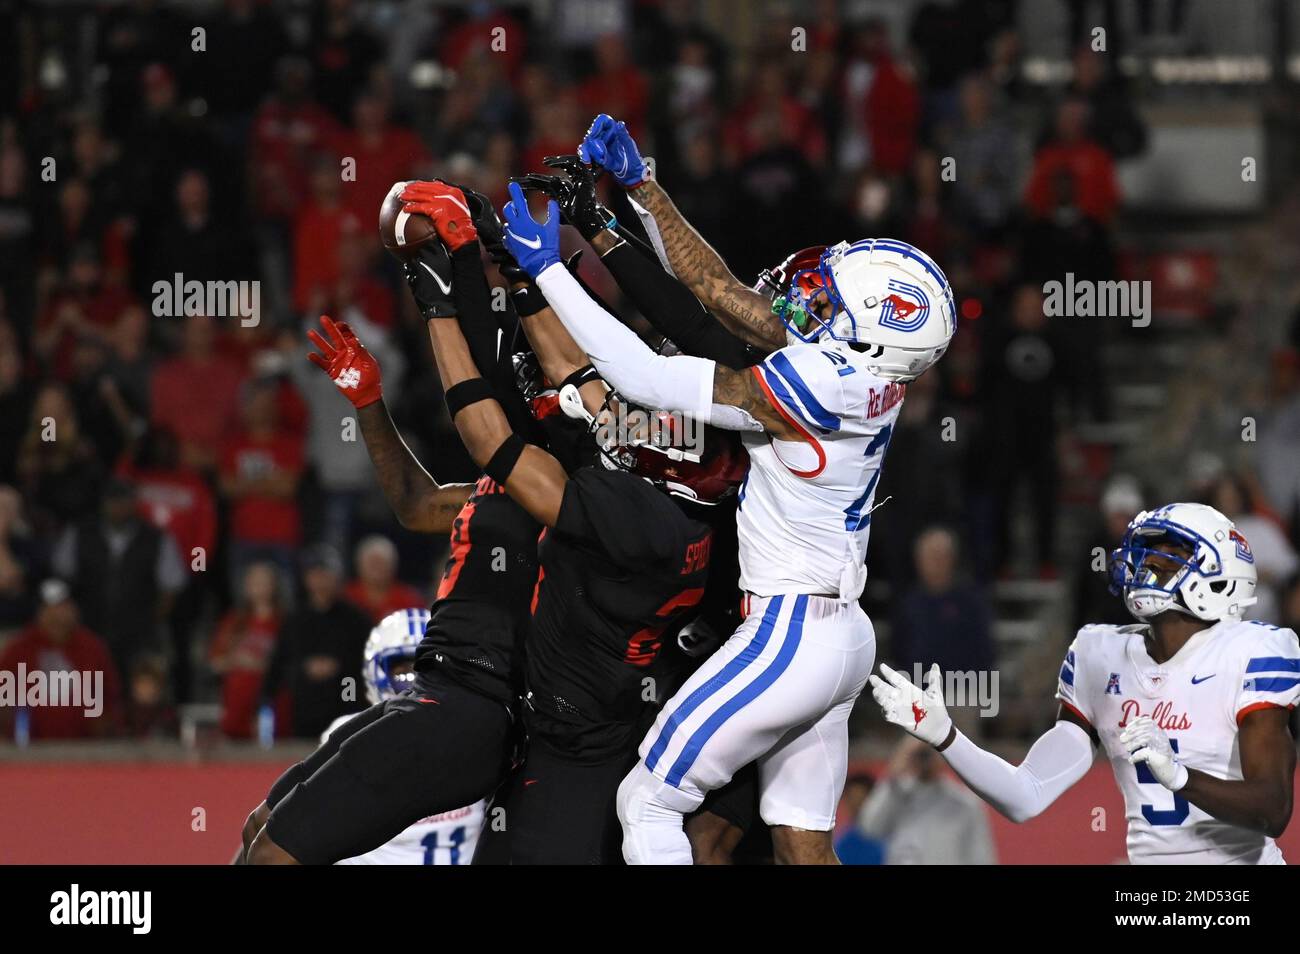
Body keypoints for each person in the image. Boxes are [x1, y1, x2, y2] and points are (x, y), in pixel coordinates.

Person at [520, 115, 955, 864]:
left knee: (648, 801)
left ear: (870, 337)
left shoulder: (821, 382)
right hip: (841, 634)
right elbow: (716, 291)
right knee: (801, 844)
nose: (809, 306)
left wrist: (549, 272)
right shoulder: (868, 375)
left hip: (791, 633)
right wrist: (640, 190)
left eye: (832, 309)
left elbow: (648, 376)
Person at [401, 179, 738, 863]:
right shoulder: (677, 482)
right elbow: (574, 371)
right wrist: (516, 267)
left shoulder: (647, 515)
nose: (638, 418)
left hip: (574, 734)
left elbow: (491, 439)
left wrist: (438, 305)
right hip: (579, 702)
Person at [871, 503, 1299, 864]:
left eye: (1168, 556)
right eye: (1146, 553)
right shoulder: (1100, 654)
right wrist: (946, 736)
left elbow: (1273, 808)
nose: (1146, 563)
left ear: (1220, 575)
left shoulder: (1250, 652)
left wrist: (1181, 777)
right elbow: (1026, 795)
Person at [327, 608, 485, 865]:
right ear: (376, 673)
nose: (415, 681)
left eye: (426, 667)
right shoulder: (347, 735)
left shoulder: (481, 735)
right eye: (402, 670)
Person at [258, 544, 371, 740]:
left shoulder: (356, 618)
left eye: (325, 574)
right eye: (314, 574)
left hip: (346, 703)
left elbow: (368, 660)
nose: (320, 580)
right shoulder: (295, 620)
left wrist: (338, 666)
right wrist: (265, 699)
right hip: (304, 709)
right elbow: (279, 663)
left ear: (337, 577)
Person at [855, 737, 996, 864]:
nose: (925, 759)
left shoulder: (965, 804)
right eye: (920, 754)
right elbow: (869, 828)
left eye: (930, 752)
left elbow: (981, 858)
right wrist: (893, 773)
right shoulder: (896, 794)